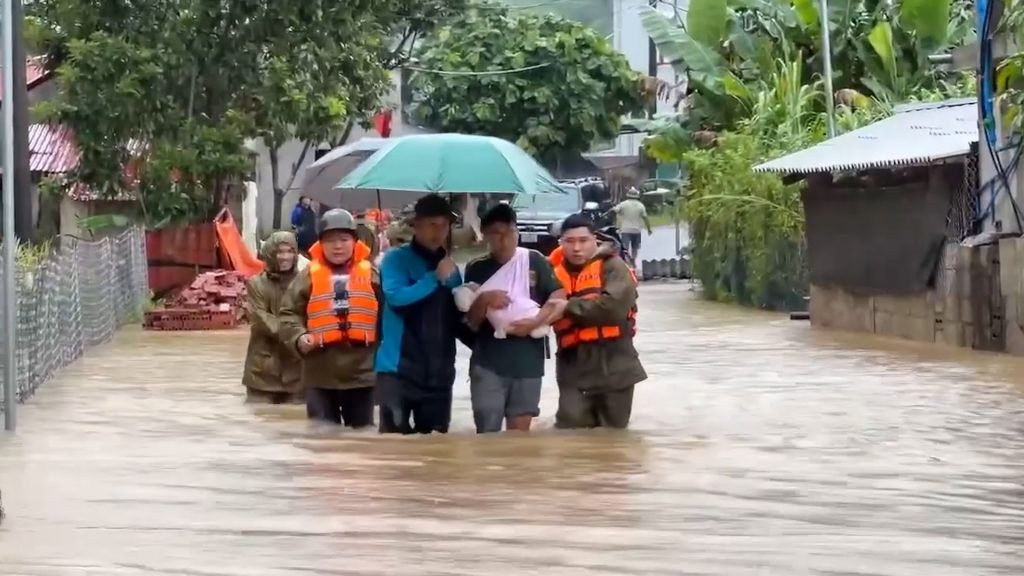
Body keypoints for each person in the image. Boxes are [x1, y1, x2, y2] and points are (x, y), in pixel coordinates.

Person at [463, 204, 566, 433]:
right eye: (497, 233)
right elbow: (470, 323)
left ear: (516, 232)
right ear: (485, 236)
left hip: (528, 362)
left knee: (519, 439)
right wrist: (484, 299)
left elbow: (559, 299)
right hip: (488, 362)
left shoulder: (535, 261)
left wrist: (536, 322)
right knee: (487, 432)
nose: (505, 239)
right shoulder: (476, 269)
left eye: (509, 232)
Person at [376, 194, 473, 434]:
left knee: (434, 451)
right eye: (432, 224)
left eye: (444, 225)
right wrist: (433, 278)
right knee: (393, 447)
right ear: (416, 225)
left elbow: (456, 319)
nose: (438, 232)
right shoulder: (395, 259)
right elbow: (397, 299)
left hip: (439, 373)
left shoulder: (449, 267)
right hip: (398, 372)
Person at [280, 209, 379, 427]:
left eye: (344, 239)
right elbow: (288, 314)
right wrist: (299, 337)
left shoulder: (372, 274)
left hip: (361, 373)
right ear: (320, 243)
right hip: (320, 373)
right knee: (322, 442)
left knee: (361, 440)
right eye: (330, 240)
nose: (337, 246)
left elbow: (389, 317)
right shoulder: (306, 276)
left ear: (355, 241)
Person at [550, 214, 647, 429]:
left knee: (612, 435)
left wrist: (568, 307)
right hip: (572, 366)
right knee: (570, 430)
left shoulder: (613, 266)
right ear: (560, 243)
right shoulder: (551, 272)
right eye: (569, 241)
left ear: (595, 240)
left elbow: (613, 308)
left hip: (614, 363)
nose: (576, 248)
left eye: (583, 241)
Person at [242, 230, 303, 404]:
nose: (285, 257)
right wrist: (297, 335)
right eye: (280, 252)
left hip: (296, 370)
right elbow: (261, 318)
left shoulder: (304, 282)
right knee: (260, 420)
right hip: (262, 371)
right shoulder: (256, 284)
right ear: (270, 254)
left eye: (290, 251)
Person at [608, 188, 652, 262]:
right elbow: (645, 218)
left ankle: (626, 261)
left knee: (625, 247)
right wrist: (649, 229)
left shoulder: (623, 204)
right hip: (636, 230)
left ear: (628, 195)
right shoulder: (640, 206)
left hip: (626, 230)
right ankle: (633, 259)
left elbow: (615, 210)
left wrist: (613, 209)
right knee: (635, 247)